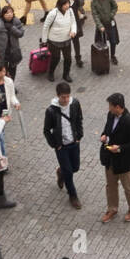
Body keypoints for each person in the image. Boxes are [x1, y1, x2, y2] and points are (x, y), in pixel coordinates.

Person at [99, 92, 130, 223]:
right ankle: (112, 209)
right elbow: (107, 129)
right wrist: (104, 135)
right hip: (110, 157)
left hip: (124, 161)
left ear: (118, 107)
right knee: (110, 185)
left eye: (110, 106)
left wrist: (120, 148)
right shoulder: (111, 115)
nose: (109, 108)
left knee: (127, 186)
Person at [43, 81, 84, 210]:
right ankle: (73, 195)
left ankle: (60, 172)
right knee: (69, 173)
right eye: (63, 97)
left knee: (75, 167)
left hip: (74, 142)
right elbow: (46, 130)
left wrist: (79, 136)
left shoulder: (75, 104)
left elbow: (79, 120)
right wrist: (55, 144)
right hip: (61, 146)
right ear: (58, 96)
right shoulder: (51, 110)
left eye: (67, 96)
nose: (66, 99)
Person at [41, 0, 78, 83]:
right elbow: (46, 26)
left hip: (67, 39)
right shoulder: (53, 13)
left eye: (68, 4)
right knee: (55, 58)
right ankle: (50, 73)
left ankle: (66, 74)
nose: (67, 6)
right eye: (65, 4)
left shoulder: (70, 11)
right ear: (60, 4)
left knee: (68, 58)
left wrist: (73, 31)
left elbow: (73, 22)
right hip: (54, 41)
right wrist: (44, 40)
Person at [90, 0, 120, 65]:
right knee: (102, 42)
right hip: (101, 25)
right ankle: (104, 55)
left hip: (110, 23)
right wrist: (100, 26)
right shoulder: (93, 2)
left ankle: (113, 56)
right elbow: (95, 15)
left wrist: (111, 15)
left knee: (113, 41)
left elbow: (115, 7)